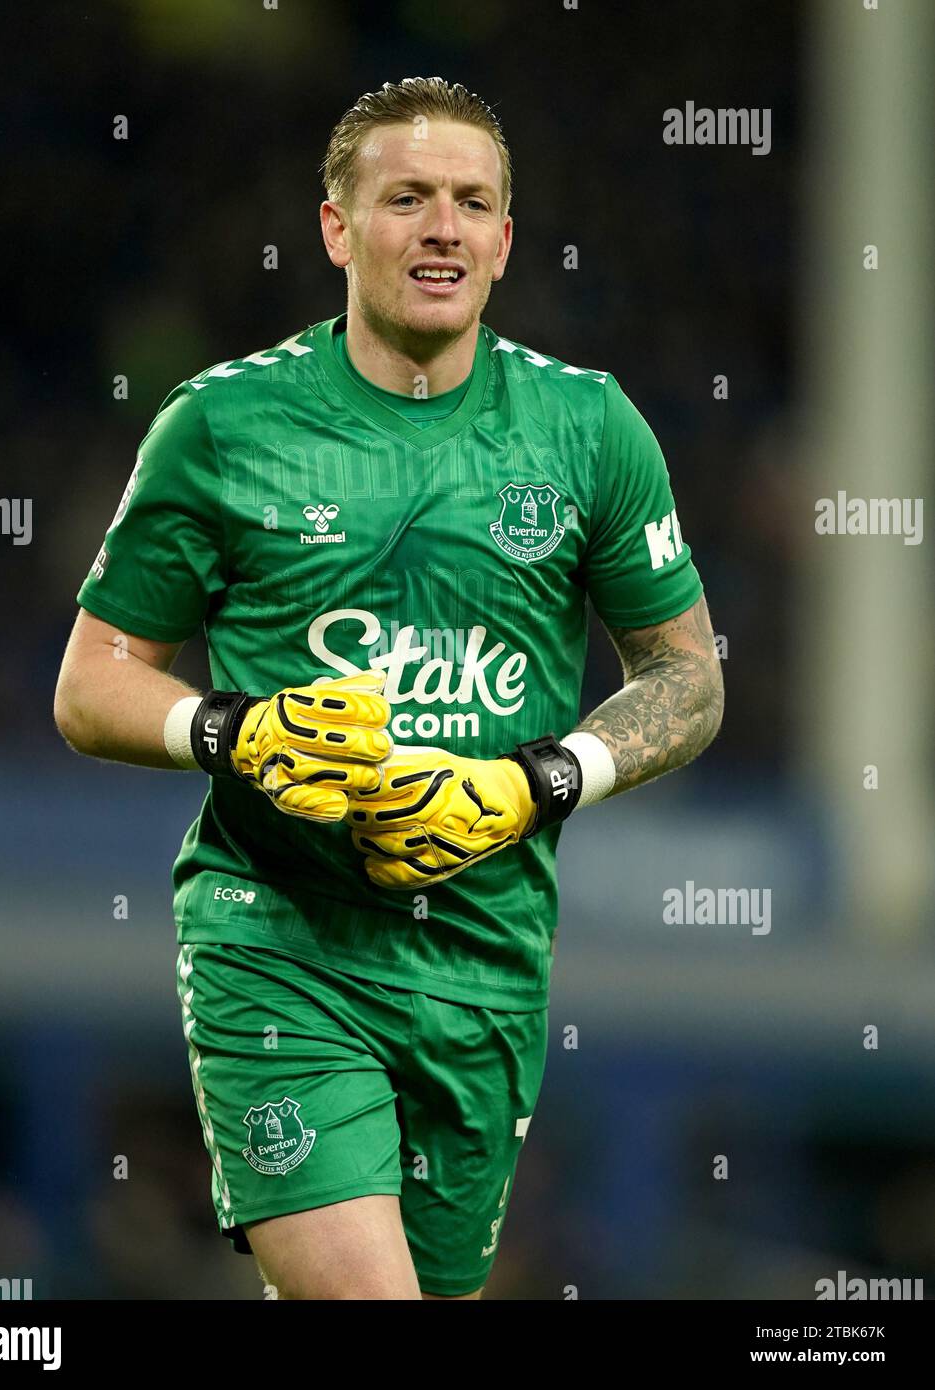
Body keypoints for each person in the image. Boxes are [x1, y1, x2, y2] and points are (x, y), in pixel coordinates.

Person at [53, 76, 724, 1300]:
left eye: (471, 203)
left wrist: (537, 783)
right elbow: (90, 682)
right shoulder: (220, 425)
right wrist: (231, 730)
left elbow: (685, 674)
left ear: (506, 241)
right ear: (334, 227)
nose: (441, 228)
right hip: (279, 941)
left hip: (485, 962)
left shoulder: (588, 429)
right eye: (406, 197)